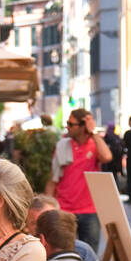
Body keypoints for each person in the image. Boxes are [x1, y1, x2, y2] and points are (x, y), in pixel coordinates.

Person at [0, 194, 99, 261]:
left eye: (49, 219)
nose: (44, 227)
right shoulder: (18, 250)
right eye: (36, 223)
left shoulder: (82, 250)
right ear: (26, 226)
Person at [44, 107, 112, 253]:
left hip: (90, 210)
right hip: (65, 209)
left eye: (70, 124)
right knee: (65, 253)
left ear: (82, 127)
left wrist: (93, 132)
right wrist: (47, 205)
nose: (67, 127)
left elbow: (107, 157)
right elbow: (53, 177)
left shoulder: (95, 145)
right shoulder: (63, 145)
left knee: (89, 255)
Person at [104, 124, 126, 189]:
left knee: (107, 182)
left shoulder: (107, 137)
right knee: (114, 180)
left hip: (108, 164)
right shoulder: (117, 137)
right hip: (116, 164)